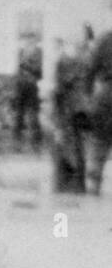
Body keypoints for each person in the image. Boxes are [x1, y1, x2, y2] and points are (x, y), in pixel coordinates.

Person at [51, 36, 89, 193]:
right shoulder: (83, 61)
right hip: (82, 105)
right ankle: (79, 169)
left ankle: (68, 170)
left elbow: (61, 87)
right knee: (80, 139)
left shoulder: (63, 62)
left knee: (67, 136)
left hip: (68, 105)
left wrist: (56, 103)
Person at [83, 28, 112, 195]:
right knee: (99, 140)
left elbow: (89, 70)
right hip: (106, 93)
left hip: (105, 94)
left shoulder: (104, 40)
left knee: (99, 141)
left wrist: (87, 97)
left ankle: (94, 185)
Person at [13, 35, 43, 153]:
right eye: (26, 40)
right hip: (20, 86)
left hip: (32, 86)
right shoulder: (20, 52)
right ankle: (17, 144)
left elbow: (39, 70)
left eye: (31, 40)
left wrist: (26, 66)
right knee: (18, 116)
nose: (28, 43)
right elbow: (17, 70)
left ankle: (36, 145)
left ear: (36, 41)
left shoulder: (39, 53)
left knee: (33, 117)